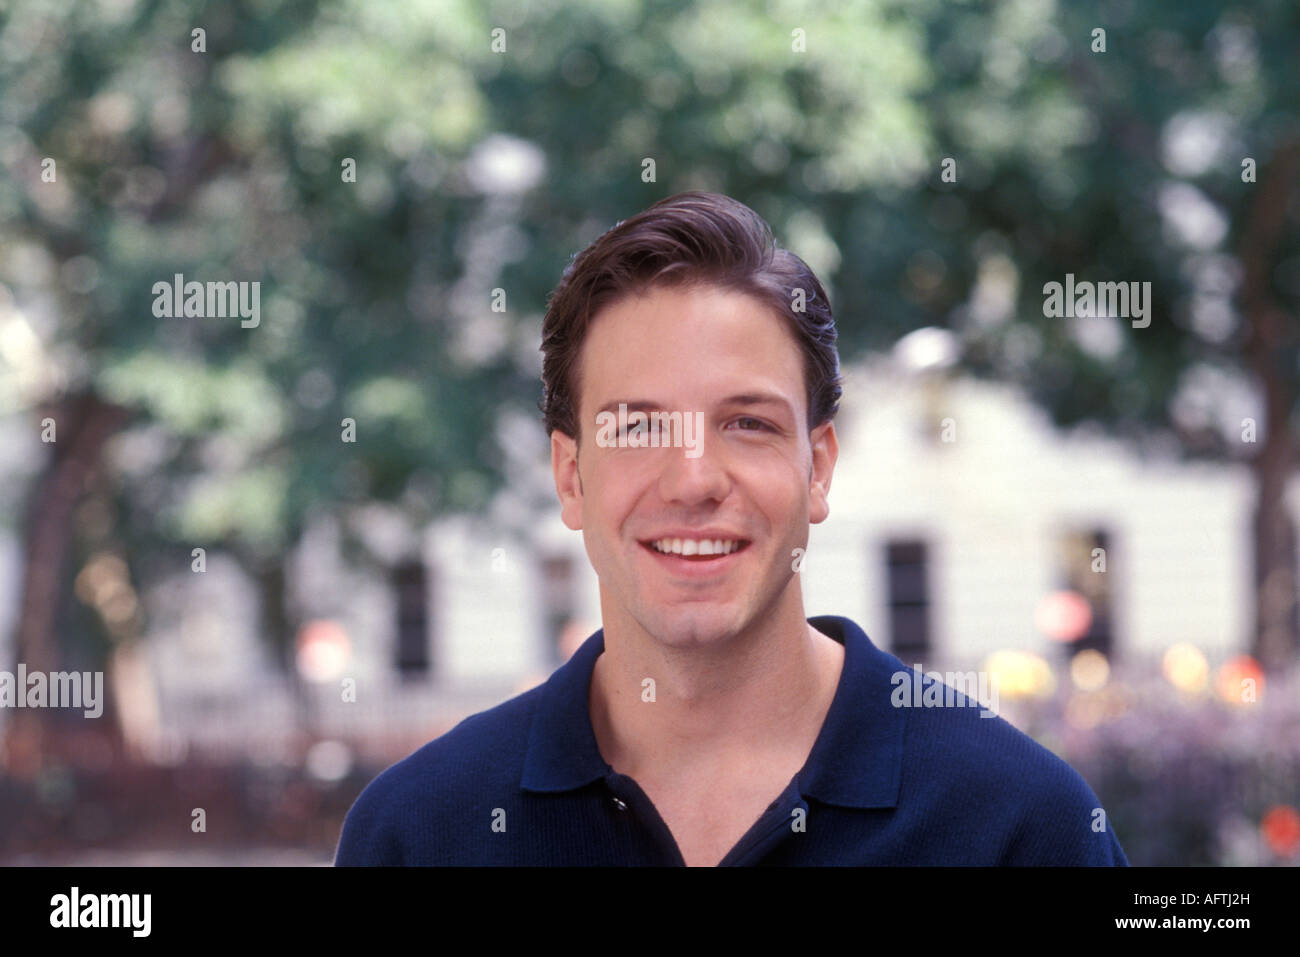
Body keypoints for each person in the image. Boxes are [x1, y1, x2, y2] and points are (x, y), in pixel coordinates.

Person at [334, 191, 1129, 866]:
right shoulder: (419, 834)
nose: (693, 480)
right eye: (637, 427)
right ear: (570, 476)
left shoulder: (1018, 826)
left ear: (817, 468)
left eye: (746, 423)